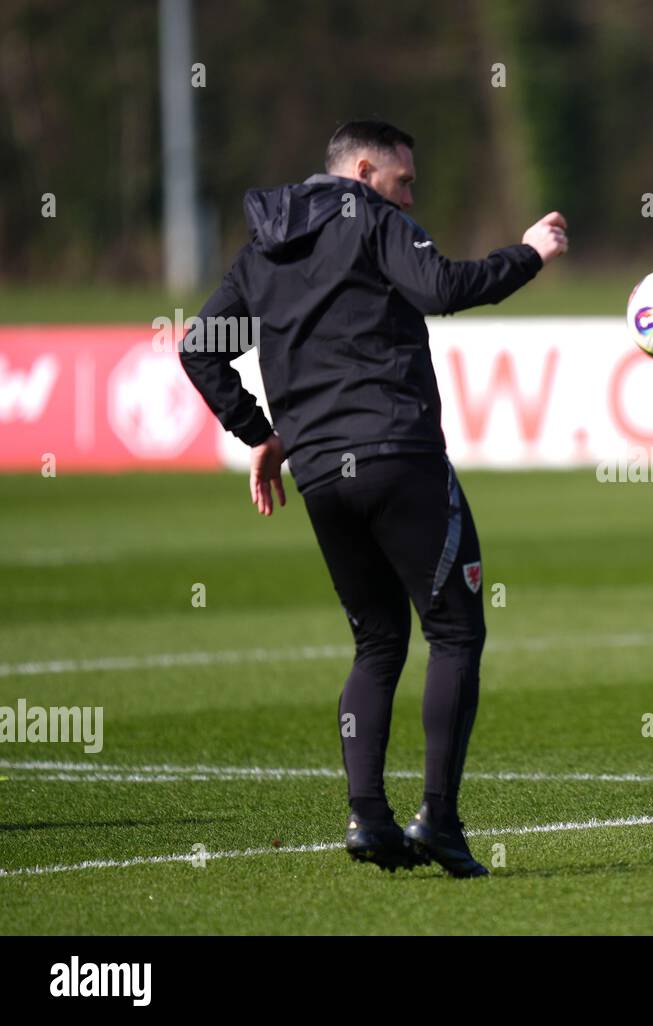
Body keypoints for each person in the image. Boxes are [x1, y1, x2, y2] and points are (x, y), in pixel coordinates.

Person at [179, 119, 568, 875]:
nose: (411, 195)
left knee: (377, 641)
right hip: (397, 453)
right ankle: (441, 821)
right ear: (365, 171)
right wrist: (531, 254)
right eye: (405, 182)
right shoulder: (372, 218)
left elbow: (199, 346)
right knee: (454, 632)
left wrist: (260, 432)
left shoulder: (265, 246)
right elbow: (442, 288)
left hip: (321, 474)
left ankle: (367, 819)